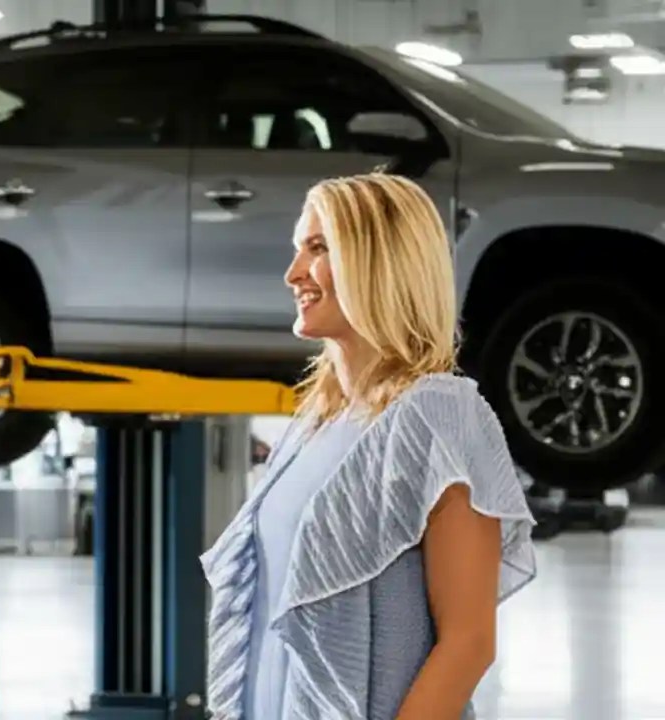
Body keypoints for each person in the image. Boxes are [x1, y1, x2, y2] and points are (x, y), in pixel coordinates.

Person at [200, 173, 538, 720]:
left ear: (377, 261)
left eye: (317, 248)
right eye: (296, 251)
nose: (293, 274)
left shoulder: (440, 415)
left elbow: (469, 642)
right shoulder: (315, 420)